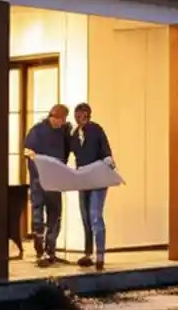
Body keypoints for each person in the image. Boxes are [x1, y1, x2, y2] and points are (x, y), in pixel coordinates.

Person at [23, 104, 72, 267]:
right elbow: (28, 152)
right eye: (61, 120)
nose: (62, 123)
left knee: (55, 214)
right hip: (38, 180)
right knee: (38, 214)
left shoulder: (62, 133)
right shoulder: (37, 131)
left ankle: (50, 249)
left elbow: (66, 153)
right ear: (54, 117)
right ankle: (39, 251)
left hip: (55, 180)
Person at [71, 102, 113, 270]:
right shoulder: (74, 135)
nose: (80, 119)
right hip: (83, 178)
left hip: (98, 177)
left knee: (95, 214)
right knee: (85, 216)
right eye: (77, 116)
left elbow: (105, 149)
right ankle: (88, 252)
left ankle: (100, 254)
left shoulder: (96, 130)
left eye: (83, 116)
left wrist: (108, 159)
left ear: (89, 116)